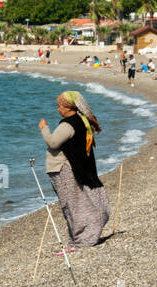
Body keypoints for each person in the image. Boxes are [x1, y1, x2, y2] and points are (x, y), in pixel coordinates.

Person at [38, 90, 111, 247]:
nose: (58, 109)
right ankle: (83, 236)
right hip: (72, 167)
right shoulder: (81, 120)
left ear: (68, 107)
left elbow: (53, 143)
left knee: (71, 204)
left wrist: (44, 128)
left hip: (62, 168)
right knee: (77, 202)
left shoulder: (68, 124)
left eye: (59, 106)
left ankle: (83, 238)